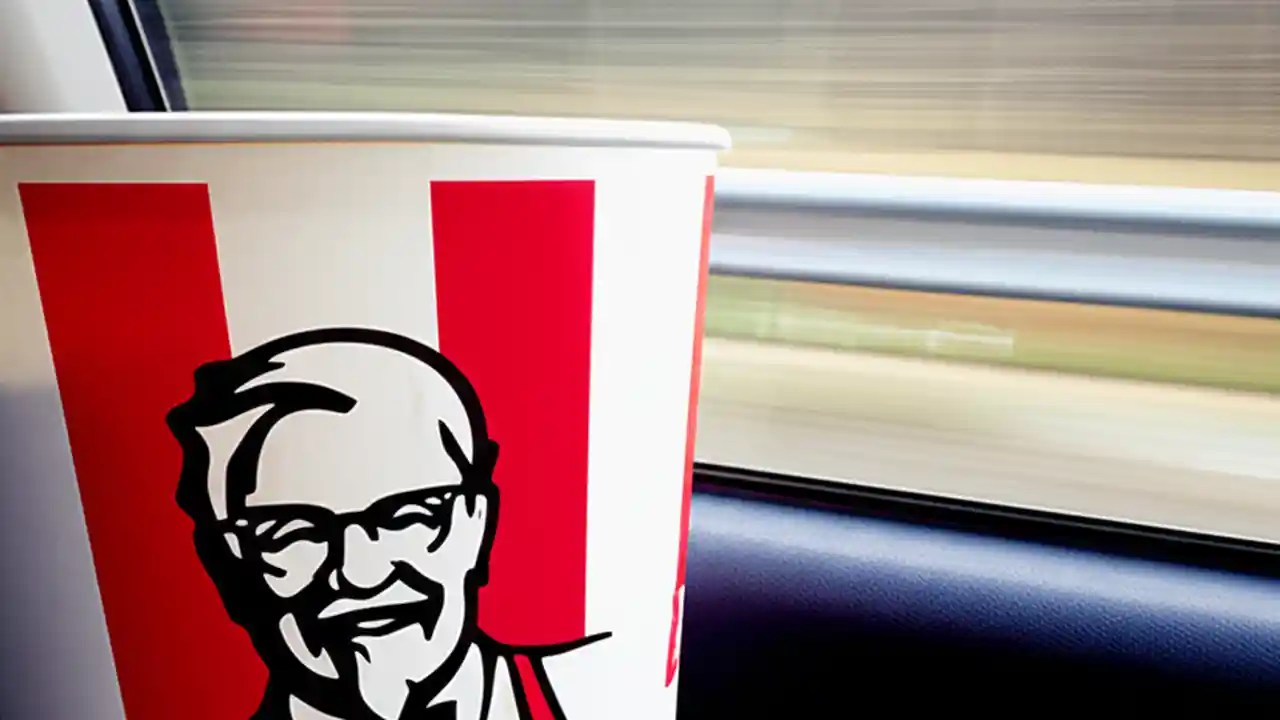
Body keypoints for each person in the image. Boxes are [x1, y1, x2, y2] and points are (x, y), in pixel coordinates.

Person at [169, 327, 607, 720]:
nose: (362, 573)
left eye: (410, 516)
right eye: (293, 533)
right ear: (224, 564)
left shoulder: (598, 691)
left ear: (477, 523)